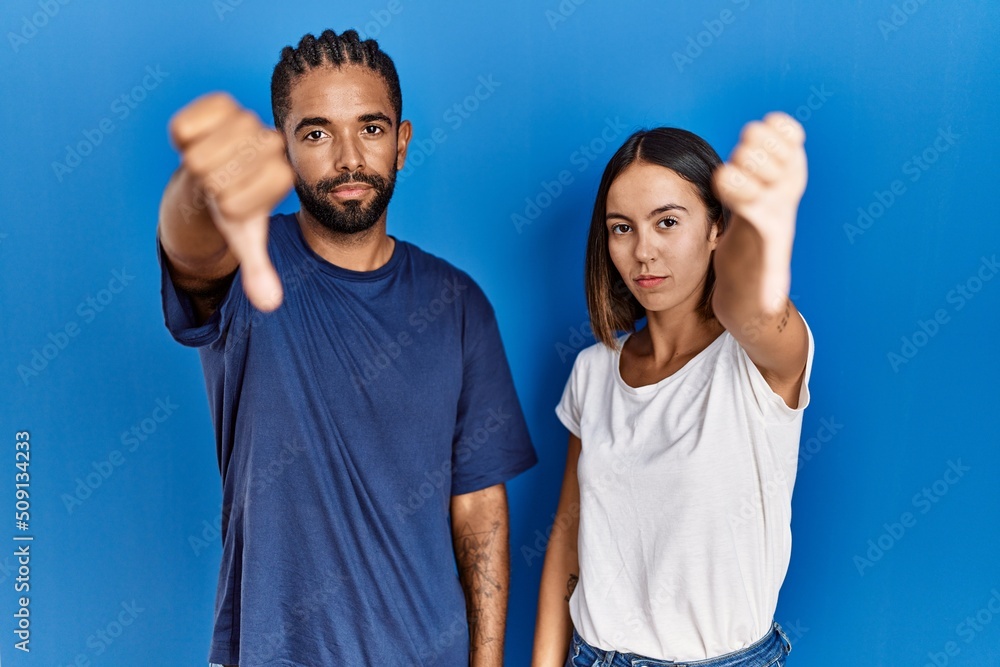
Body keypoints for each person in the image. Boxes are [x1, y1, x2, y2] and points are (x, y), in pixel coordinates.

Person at [156, 28, 537, 667]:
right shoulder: (248, 268)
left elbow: (478, 506)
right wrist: (202, 187)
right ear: (281, 149)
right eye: (315, 133)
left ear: (402, 142)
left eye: (370, 127)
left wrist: (488, 661)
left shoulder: (459, 302)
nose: (348, 157)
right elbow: (192, 251)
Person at [532, 114, 814, 667]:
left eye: (667, 222)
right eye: (622, 227)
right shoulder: (593, 372)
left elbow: (750, 307)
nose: (643, 252)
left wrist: (762, 232)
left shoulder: (758, 362)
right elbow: (568, 538)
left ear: (716, 229)